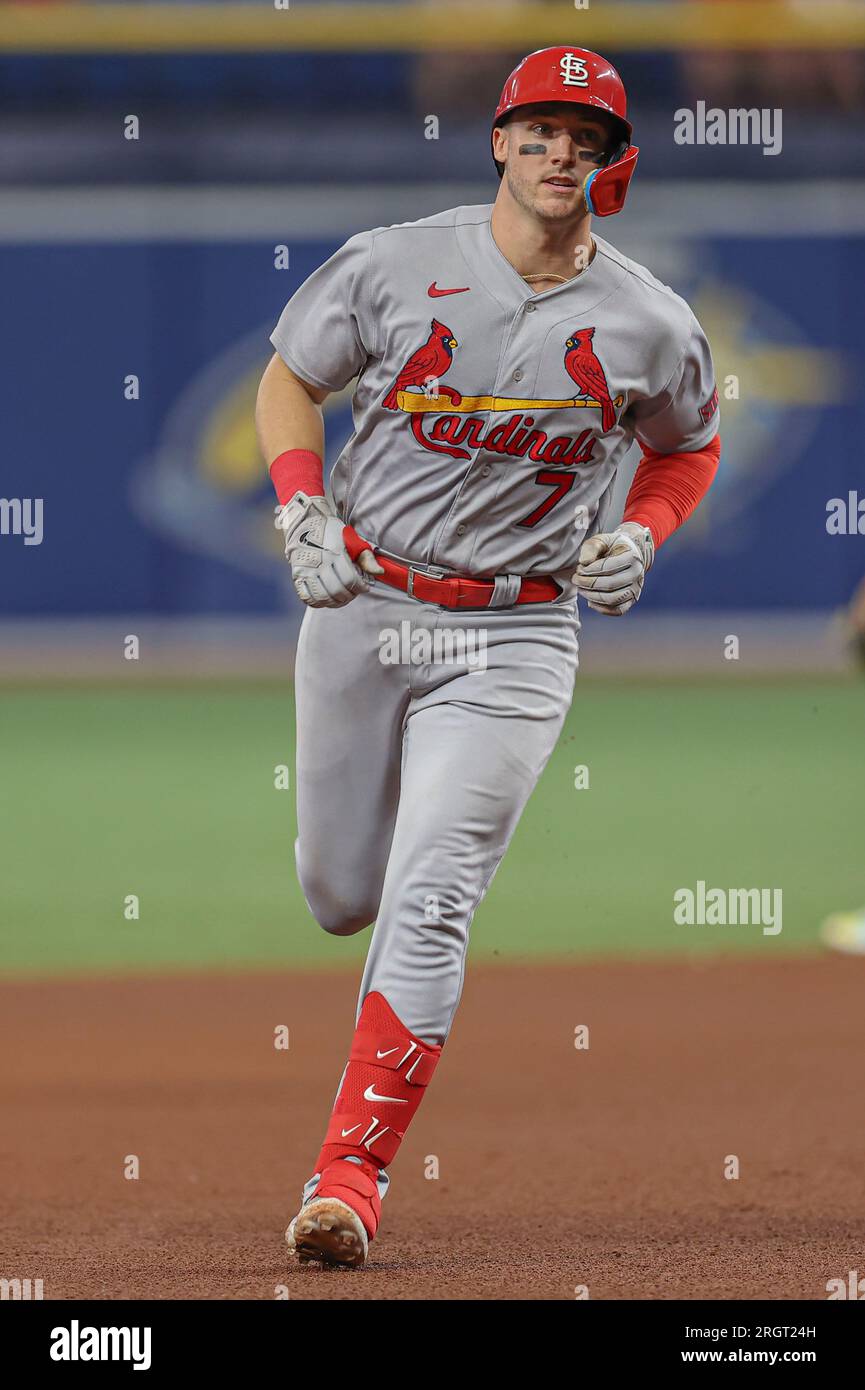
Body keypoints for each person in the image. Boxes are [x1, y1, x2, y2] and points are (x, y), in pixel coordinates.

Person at [255, 45, 721, 1268]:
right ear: (499, 141)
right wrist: (301, 507)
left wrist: (640, 529)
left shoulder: (647, 318)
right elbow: (290, 379)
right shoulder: (397, 261)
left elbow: (685, 447)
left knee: (432, 890)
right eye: (539, 128)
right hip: (364, 601)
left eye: (586, 133)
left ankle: (345, 1180)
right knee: (339, 894)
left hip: (514, 629)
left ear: (614, 159)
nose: (559, 150)